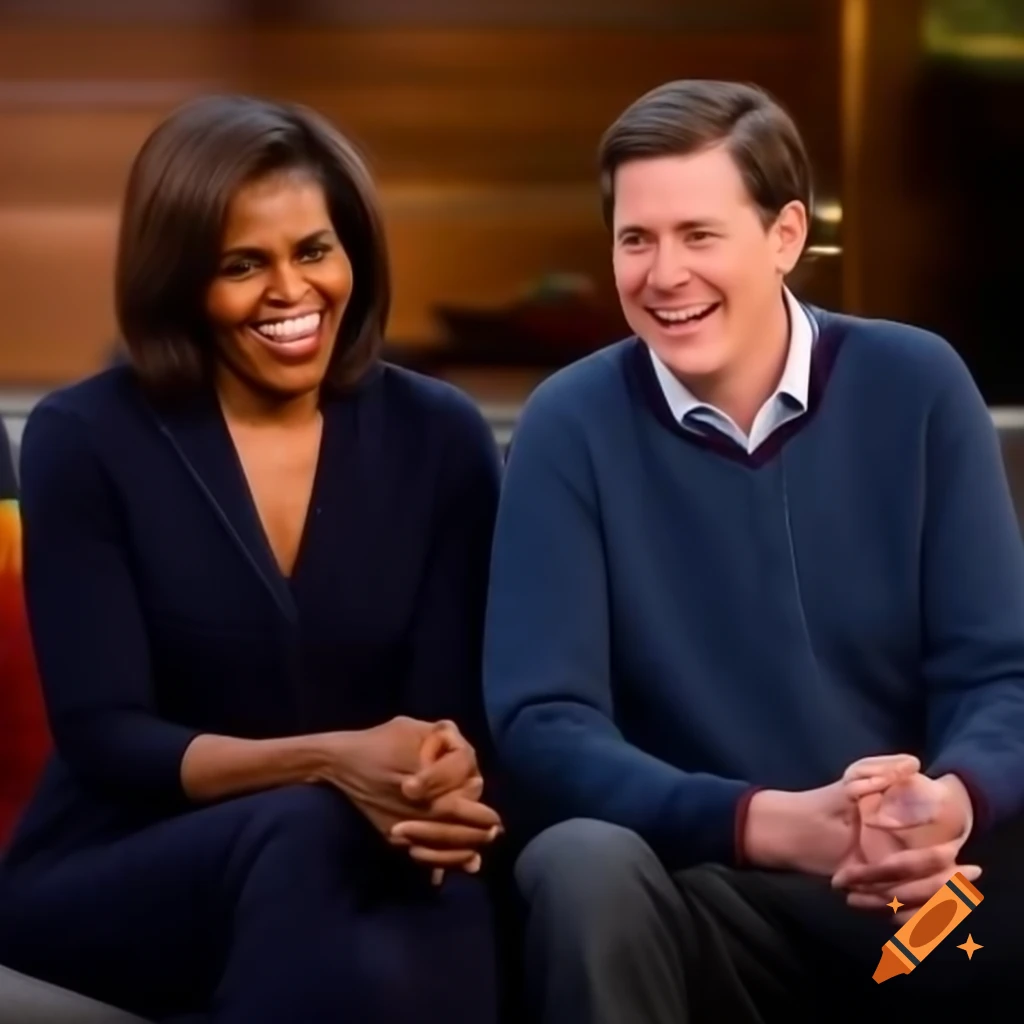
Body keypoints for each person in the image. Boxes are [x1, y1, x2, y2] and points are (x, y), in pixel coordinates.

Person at [483, 79, 1024, 1023]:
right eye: (636, 240)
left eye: (699, 235)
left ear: (784, 236)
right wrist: (760, 823)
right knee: (579, 864)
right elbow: (545, 721)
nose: (662, 275)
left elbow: (1001, 673)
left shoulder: (919, 383)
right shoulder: (569, 423)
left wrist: (949, 803)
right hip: (710, 884)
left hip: (933, 892)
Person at [0, 95, 504, 1024]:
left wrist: (443, 778)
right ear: (181, 281)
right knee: (309, 829)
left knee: (447, 911)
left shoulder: (443, 438)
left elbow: (450, 711)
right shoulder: (86, 437)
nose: (291, 292)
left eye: (313, 251)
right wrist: (326, 762)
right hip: (124, 861)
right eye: (243, 265)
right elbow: (107, 737)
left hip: (378, 846)